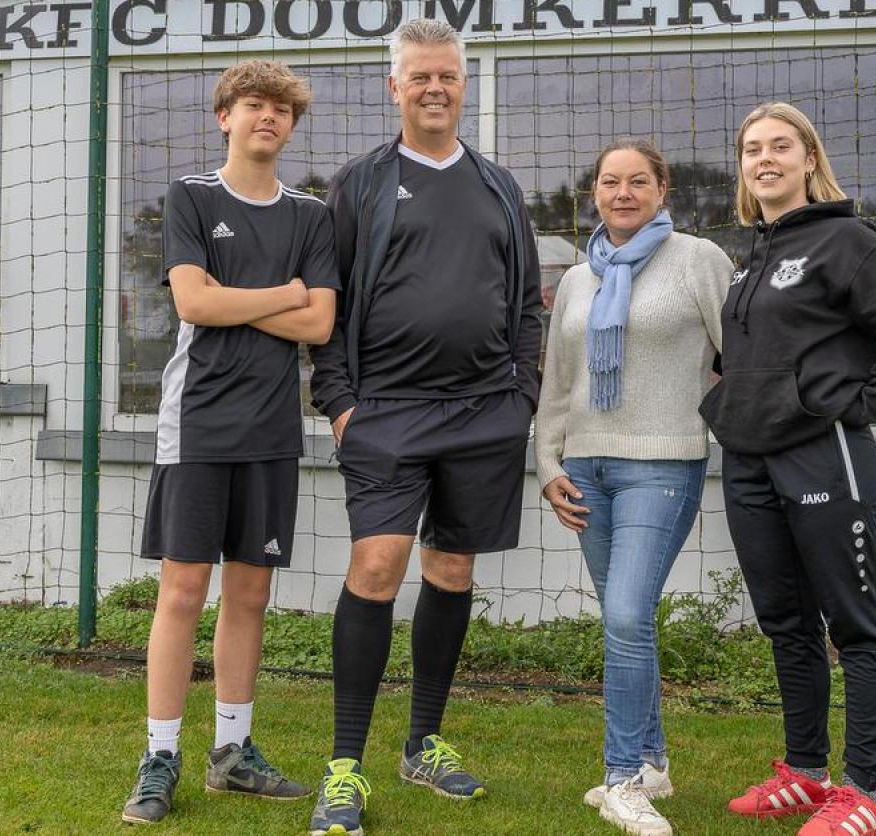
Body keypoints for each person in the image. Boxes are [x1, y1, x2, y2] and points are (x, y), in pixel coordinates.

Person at [305, 17, 543, 836]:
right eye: (420, 77)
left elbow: (524, 306)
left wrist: (523, 395)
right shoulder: (360, 183)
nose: (434, 88)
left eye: (447, 75)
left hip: (485, 415)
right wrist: (339, 403)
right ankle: (344, 766)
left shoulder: (499, 186)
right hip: (387, 417)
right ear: (395, 88)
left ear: (461, 85)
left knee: (451, 572)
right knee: (376, 566)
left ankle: (424, 743)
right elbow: (327, 306)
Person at [701, 102, 876, 836]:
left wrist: (856, 404)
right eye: (751, 150)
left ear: (810, 158)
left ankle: (865, 792)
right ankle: (807, 774)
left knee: (858, 626)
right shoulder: (754, 253)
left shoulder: (847, 242)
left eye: (780, 146)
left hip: (822, 453)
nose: (764, 159)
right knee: (786, 624)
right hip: (748, 458)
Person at [120, 59, 339, 825]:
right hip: (200, 422)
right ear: (225, 116)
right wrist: (282, 293)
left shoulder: (311, 216)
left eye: (281, 109)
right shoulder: (191, 196)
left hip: (273, 429)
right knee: (183, 591)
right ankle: (160, 757)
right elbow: (192, 301)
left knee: (251, 593)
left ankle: (232, 753)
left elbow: (320, 325)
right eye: (253, 105)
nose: (267, 117)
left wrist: (237, 302)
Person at [533, 139, 732, 836]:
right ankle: (650, 762)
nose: (623, 192)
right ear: (594, 193)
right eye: (610, 182)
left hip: (662, 463)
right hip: (585, 467)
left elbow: (740, 358)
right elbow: (558, 381)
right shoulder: (581, 279)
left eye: (637, 181)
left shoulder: (699, 261)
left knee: (623, 613)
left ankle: (621, 780)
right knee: (628, 619)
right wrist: (550, 466)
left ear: (662, 188)